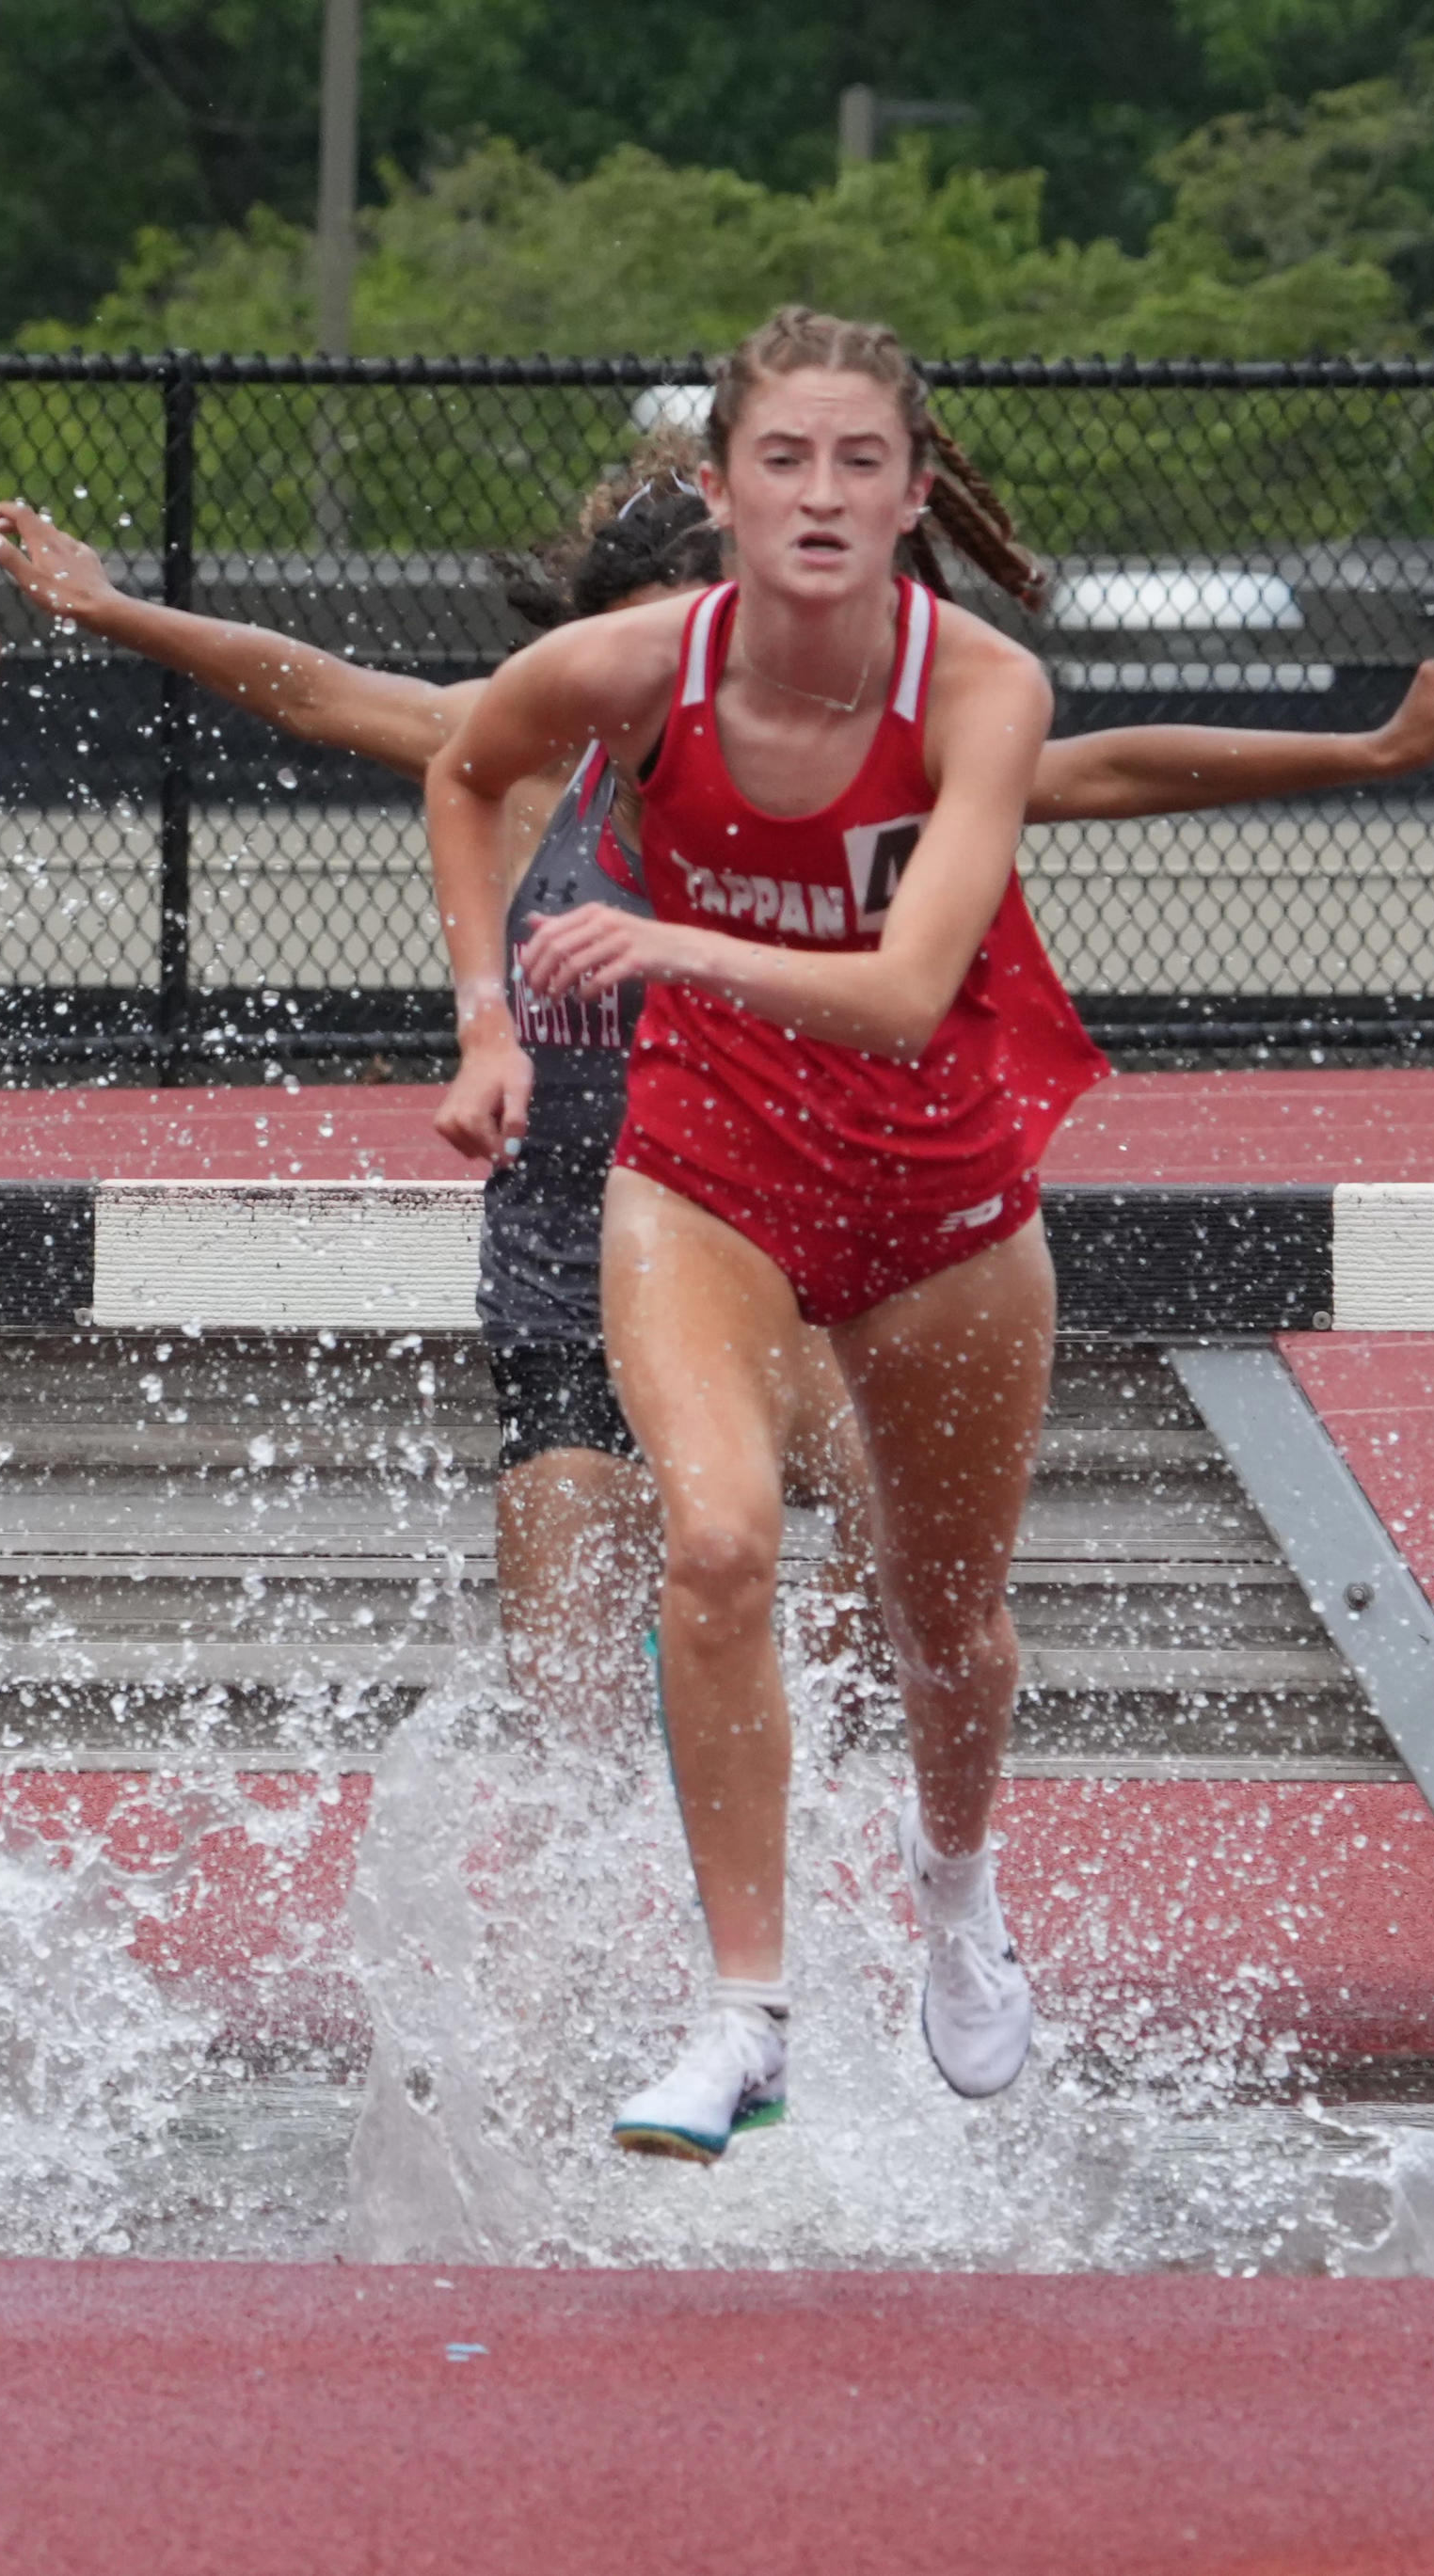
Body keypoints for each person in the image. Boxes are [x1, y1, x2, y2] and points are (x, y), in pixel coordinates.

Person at [0, 463, 1434, 1761]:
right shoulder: (538, 765)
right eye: (631, 663)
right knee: (568, 1692)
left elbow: (1110, 768)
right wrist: (115, 608)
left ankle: (840, 1860)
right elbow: (316, 688)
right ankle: (593, 1982)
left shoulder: (846, 769)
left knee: (881, 1526)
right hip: (568, 1286)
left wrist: (1375, 747)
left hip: (765, 1257)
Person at [419, 306, 1112, 2163]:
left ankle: (955, 1897)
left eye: (856, 462)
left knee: (943, 1621)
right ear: (719, 489)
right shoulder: (636, 668)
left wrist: (663, 942)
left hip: (937, 1191)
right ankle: (742, 2011)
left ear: (910, 495)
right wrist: (486, 1019)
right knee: (714, 1541)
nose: (818, 493)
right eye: (782, 461)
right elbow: (458, 771)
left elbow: (899, 990)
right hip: (701, 1170)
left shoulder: (977, 694)